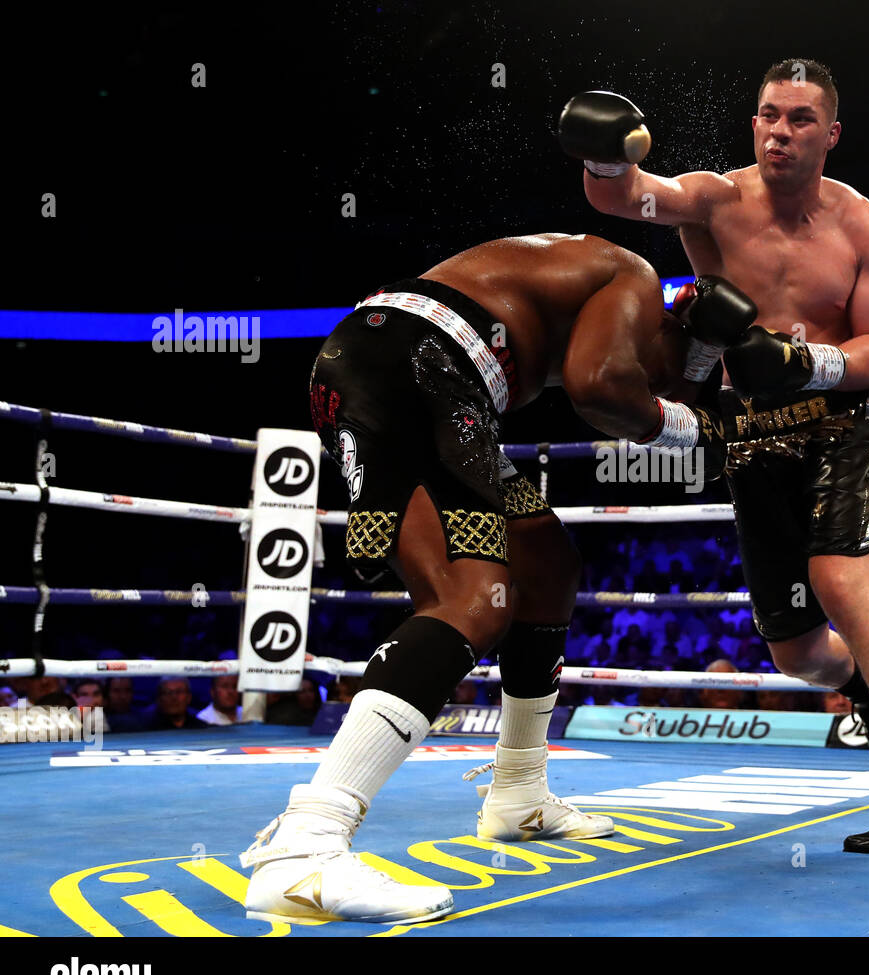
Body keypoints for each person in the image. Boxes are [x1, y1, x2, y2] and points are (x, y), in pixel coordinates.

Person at [242, 233, 757, 925]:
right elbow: (603, 387)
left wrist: (686, 400)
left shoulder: (574, 286)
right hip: (417, 364)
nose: (655, 391)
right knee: (471, 598)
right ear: (667, 327)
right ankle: (304, 848)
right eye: (663, 373)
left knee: (544, 560)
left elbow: (633, 393)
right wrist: (697, 430)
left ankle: (518, 791)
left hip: (400, 366)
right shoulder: (631, 277)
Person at [564, 59, 869, 855]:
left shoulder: (865, 226)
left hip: (849, 418)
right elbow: (626, 196)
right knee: (799, 651)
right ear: (754, 123)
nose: (780, 132)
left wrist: (804, 363)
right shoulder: (714, 199)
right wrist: (605, 154)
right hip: (752, 432)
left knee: (843, 586)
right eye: (768, 116)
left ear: (831, 134)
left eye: (799, 119)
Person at [145, 678, 209, 730]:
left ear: (189, 697)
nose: (174, 697)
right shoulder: (145, 730)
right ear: (159, 698)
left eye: (179, 691)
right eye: (167, 692)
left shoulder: (202, 728)